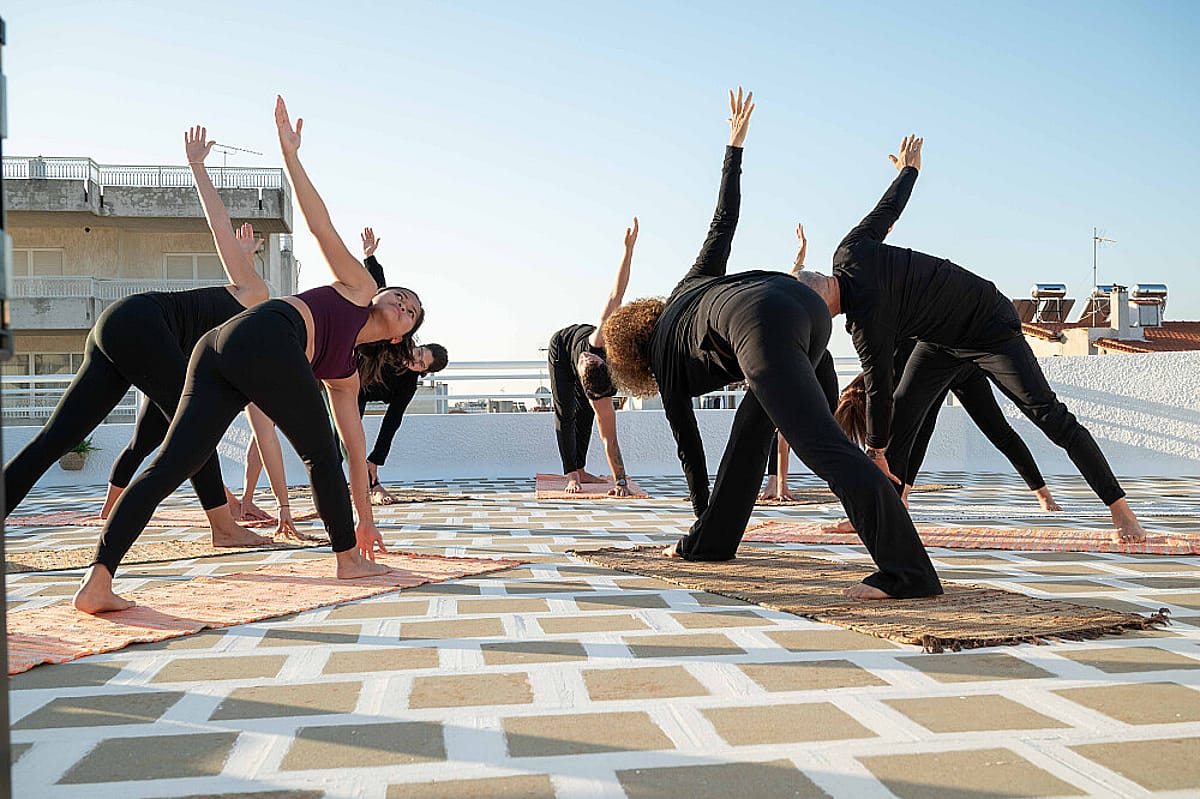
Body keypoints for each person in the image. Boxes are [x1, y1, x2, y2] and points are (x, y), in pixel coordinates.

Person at [73, 97, 424, 613]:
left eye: (411, 310)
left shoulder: (345, 376)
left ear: (400, 337)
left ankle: (97, 582)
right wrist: (291, 155)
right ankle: (347, 559)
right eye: (402, 294)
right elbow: (320, 225)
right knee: (311, 449)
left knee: (178, 460)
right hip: (254, 337)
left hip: (225, 352)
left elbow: (355, 454)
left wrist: (366, 516)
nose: (402, 300)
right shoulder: (357, 285)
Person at [602, 89, 942, 600]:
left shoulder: (664, 360)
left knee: (822, 448)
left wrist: (697, 520)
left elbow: (690, 450)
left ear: (633, 357)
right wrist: (734, 147)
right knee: (750, 436)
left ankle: (909, 573)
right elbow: (724, 221)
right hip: (806, 311)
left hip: (763, 325)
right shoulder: (688, 288)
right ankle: (715, 542)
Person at [791, 135, 1143, 543]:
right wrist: (909, 171)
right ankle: (882, 512)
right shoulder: (848, 251)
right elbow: (887, 211)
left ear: (818, 299)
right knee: (903, 414)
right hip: (940, 340)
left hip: (988, 326)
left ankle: (1122, 512)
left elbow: (877, 386)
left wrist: (875, 450)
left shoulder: (865, 323)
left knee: (1046, 413)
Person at [5, 126, 274, 549]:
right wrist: (197, 166)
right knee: (194, 428)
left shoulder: (239, 342)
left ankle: (224, 524)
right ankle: (224, 530)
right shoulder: (255, 295)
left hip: (119, 326)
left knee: (54, 440)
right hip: (139, 322)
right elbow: (218, 226)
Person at [548, 217, 639, 496]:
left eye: (587, 361)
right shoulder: (598, 342)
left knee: (586, 414)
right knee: (565, 411)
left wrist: (621, 481)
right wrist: (628, 250)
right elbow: (616, 294)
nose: (587, 357)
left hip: (593, 382)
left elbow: (609, 439)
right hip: (561, 349)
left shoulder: (601, 398)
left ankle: (582, 467)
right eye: (587, 359)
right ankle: (572, 474)